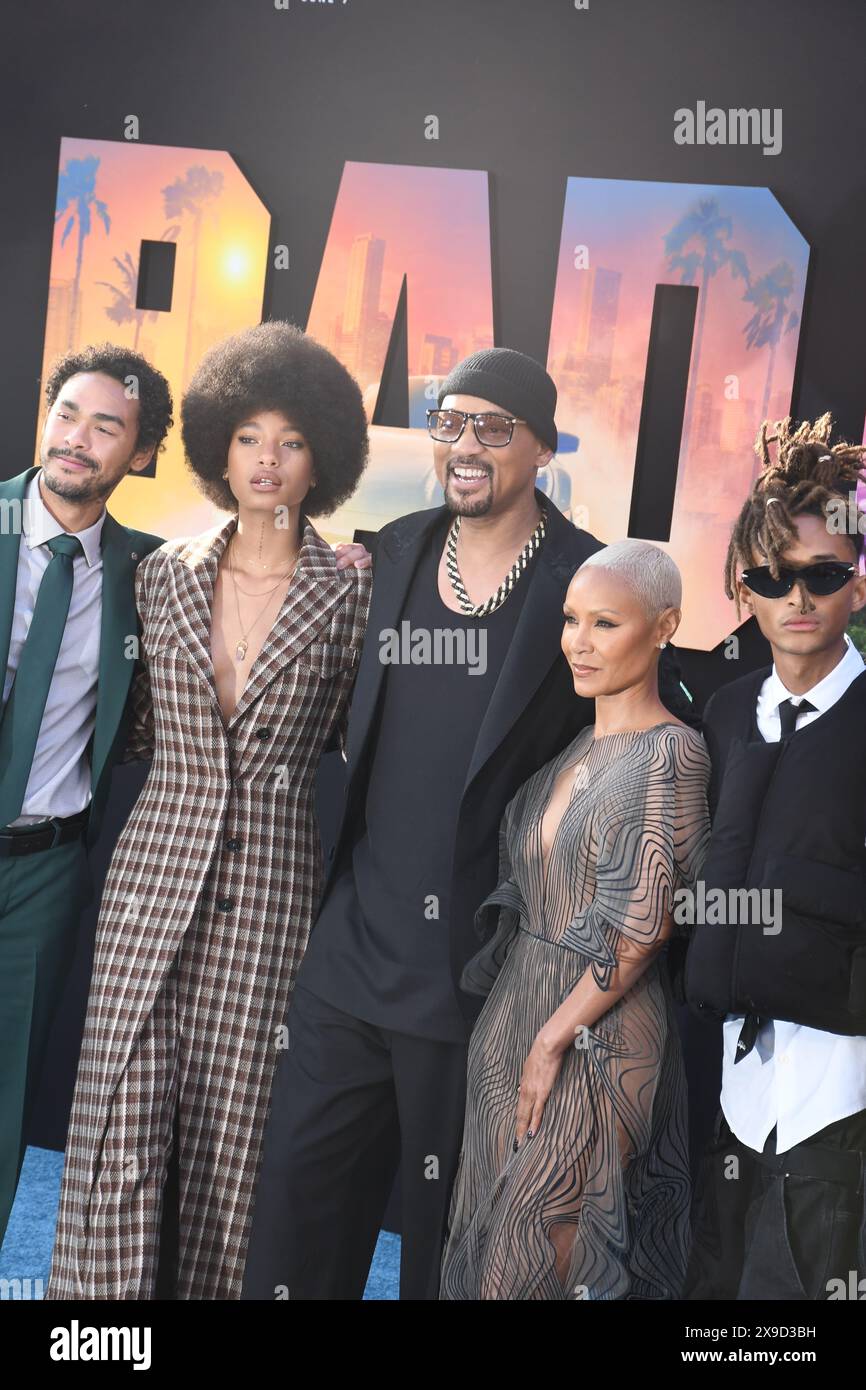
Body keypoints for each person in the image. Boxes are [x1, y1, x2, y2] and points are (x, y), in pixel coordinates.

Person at [242, 348, 695, 1301]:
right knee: (292, 1232)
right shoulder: (389, 550)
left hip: (482, 989)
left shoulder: (585, 580)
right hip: (351, 964)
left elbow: (640, 747)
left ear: (540, 447)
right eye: (451, 422)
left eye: (494, 427)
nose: (467, 445)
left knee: (447, 1261)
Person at [46, 321, 372, 1300]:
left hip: (273, 899)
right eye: (247, 438)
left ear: (323, 459)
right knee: (117, 1134)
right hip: (148, 886)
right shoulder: (159, 577)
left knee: (237, 1149)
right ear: (216, 446)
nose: (265, 460)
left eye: (291, 441)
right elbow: (121, 726)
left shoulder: (352, 591)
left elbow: (367, 742)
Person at [438, 540, 711, 1300]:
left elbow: (643, 926)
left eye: (605, 624)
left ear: (664, 628)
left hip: (597, 1040)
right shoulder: (577, 747)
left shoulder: (674, 755)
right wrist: (522, 1039)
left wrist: (552, 1041)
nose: (578, 643)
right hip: (516, 1022)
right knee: (488, 1243)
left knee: (527, 1268)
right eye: (570, 620)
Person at [684, 416, 866, 1300]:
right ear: (744, 591)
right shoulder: (723, 715)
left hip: (839, 1103)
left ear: (858, 587)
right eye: (771, 578)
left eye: (822, 576)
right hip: (724, 1093)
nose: (797, 599)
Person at [0, 343, 172, 1249]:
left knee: (5, 1092)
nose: (78, 438)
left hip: (43, 870)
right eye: (69, 412)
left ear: (138, 456)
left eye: (108, 426)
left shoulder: (151, 575)